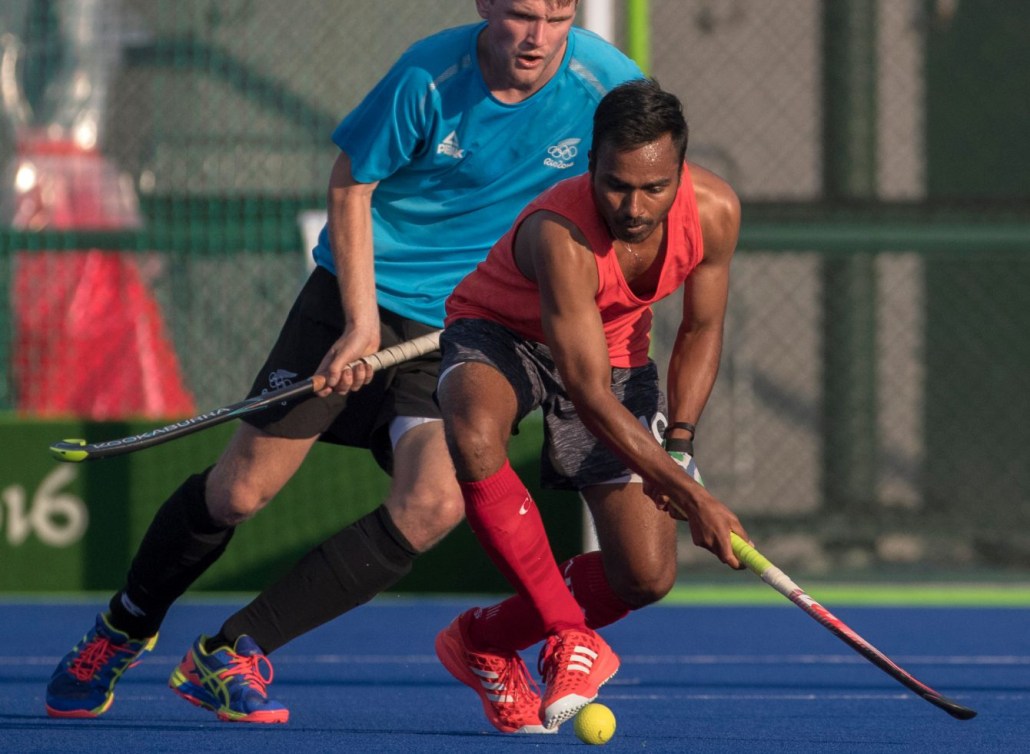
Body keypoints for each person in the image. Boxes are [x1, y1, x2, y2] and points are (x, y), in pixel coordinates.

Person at [44, 0, 643, 727]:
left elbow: (631, 195)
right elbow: (351, 184)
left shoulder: (606, 87)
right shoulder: (428, 75)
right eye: (520, 15)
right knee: (239, 493)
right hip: (357, 292)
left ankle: (230, 653)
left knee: (434, 503)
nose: (538, 38)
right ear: (485, 5)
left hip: (463, 324)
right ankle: (122, 627)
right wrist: (360, 322)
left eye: (556, 17)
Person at [433, 78, 750, 732]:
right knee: (473, 433)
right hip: (504, 335)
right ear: (590, 167)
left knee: (646, 577)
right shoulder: (561, 234)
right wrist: (696, 500)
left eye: (653, 188)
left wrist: (681, 451)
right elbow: (587, 393)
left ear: (681, 173)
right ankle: (565, 630)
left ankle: (482, 638)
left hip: (615, 351)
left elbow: (701, 329)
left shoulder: (715, 211)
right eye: (615, 185)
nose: (633, 207)